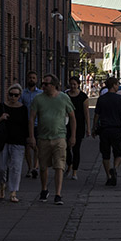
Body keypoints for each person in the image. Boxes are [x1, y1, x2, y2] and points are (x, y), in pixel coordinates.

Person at [28, 74, 76, 205]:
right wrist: (31, 136)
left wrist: (73, 136)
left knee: (59, 166)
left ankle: (58, 194)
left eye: (46, 84)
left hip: (60, 137)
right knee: (43, 167)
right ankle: (44, 189)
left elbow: (72, 117)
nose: (43, 86)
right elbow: (32, 118)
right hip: (43, 138)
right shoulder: (38, 99)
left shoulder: (64, 98)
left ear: (54, 85)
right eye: (42, 84)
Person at [0, 84, 28, 202]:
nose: (13, 97)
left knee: (15, 168)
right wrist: (1, 118)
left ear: (19, 96)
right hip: (3, 142)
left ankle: (13, 192)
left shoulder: (23, 109)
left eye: (16, 95)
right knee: (1, 168)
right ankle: (2, 185)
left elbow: (25, 126)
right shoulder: (1, 107)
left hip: (18, 142)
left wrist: (28, 140)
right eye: (11, 95)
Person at [94, 76, 121, 186]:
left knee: (105, 154)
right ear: (113, 85)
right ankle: (115, 168)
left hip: (104, 129)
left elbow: (96, 115)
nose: (118, 86)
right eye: (117, 84)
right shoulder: (120, 99)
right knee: (119, 153)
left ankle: (108, 176)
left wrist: (94, 127)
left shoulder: (101, 99)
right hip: (116, 129)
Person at [65, 77, 90, 180]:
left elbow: (86, 113)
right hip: (66, 123)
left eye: (74, 84)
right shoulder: (65, 96)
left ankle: (74, 171)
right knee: (66, 147)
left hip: (79, 124)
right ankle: (69, 163)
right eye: (71, 84)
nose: (73, 86)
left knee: (76, 148)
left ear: (78, 84)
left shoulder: (83, 97)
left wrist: (88, 127)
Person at [20, 71, 42, 178]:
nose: (31, 79)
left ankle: (35, 167)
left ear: (36, 80)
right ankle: (29, 168)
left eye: (33, 78)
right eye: (30, 78)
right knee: (27, 147)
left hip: (38, 123)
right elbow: (20, 106)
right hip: (26, 124)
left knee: (37, 146)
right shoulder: (23, 93)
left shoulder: (41, 93)